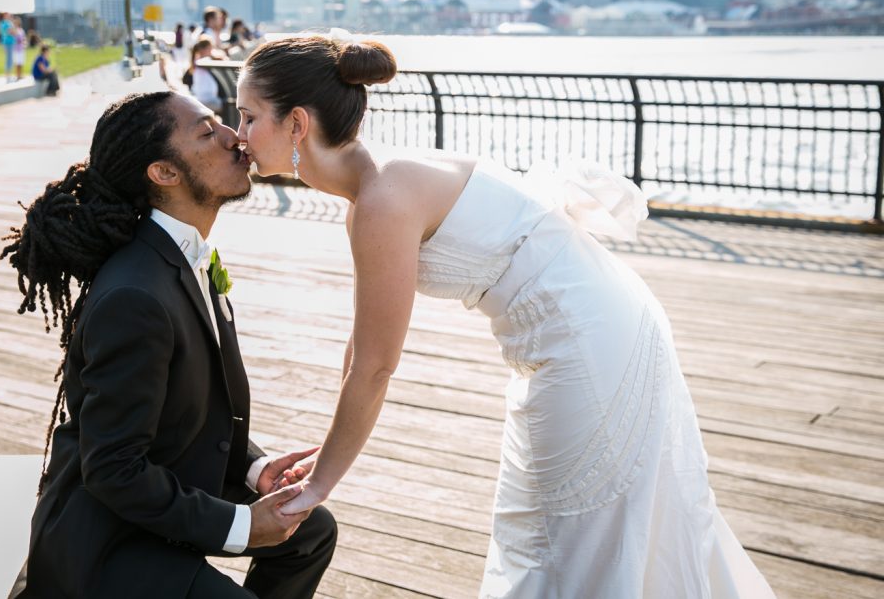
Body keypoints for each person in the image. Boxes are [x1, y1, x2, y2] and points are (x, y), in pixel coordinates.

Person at [234, 36, 778, 598]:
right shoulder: (379, 188)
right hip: (589, 326)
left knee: (574, 534)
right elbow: (362, 346)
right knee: (551, 529)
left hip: (587, 342)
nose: (238, 135)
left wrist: (321, 484)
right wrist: (326, 452)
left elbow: (375, 366)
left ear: (297, 123)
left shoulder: (383, 200)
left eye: (248, 117)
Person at [1, 91, 336, 599]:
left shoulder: (185, 256)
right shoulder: (136, 297)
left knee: (310, 530)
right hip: (107, 542)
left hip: (163, 483)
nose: (235, 137)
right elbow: (113, 471)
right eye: (208, 133)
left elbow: (188, 410)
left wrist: (253, 467)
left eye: (225, 124)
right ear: (164, 173)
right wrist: (243, 525)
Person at [186, 37, 224, 113]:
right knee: (228, 104)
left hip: (205, 98)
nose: (211, 51)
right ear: (203, 50)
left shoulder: (196, 61)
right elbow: (219, 59)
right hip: (207, 100)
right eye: (210, 49)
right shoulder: (202, 61)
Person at [0, 12, 15, 81]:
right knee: (9, 60)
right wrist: (13, 31)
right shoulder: (5, 23)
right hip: (7, 43)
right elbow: (11, 32)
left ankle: (8, 75)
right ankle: (8, 76)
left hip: (9, 43)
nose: (9, 16)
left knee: (9, 59)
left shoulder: (6, 23)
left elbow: (13, 32)